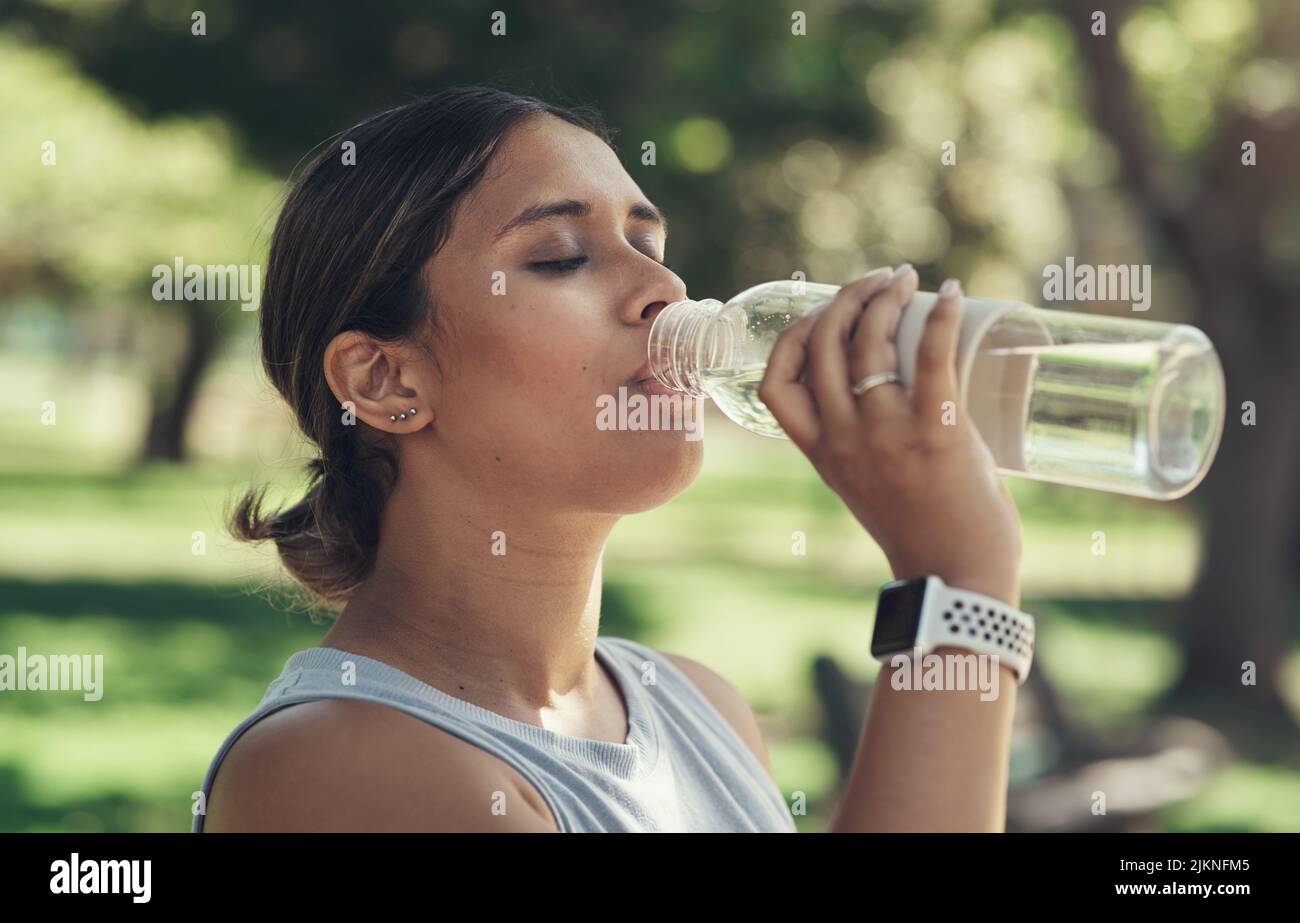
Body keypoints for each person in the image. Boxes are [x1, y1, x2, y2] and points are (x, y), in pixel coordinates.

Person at [193, 85, 1023, 833]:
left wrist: (958, 579)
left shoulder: (697, 707)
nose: (664, 289)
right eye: (560, 257)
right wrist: (958, 576)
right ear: (384, 379)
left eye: (648, 241)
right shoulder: (341, 770)